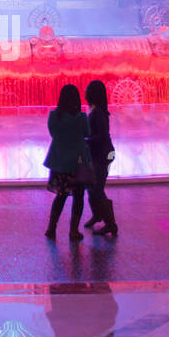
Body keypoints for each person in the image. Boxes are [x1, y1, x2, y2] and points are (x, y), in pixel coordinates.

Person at [44, 84, 91, 242]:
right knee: (78, 196)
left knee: (61, 196)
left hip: (59, 163)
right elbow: (87, 133)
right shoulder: (81, 117)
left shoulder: (53, 116)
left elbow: (53, 133)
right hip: (77, 163)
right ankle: (73, 231)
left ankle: (51, 228)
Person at [82, 79, 117, 238]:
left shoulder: (98, 113)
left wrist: (86, 140)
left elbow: (101, 136)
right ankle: (97, 215)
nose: (85, 93)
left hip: (102, 154)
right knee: (92, 187)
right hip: (101, 153)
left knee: (97, 189)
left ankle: (111, 224)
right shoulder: (98, 111)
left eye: (88, 90)